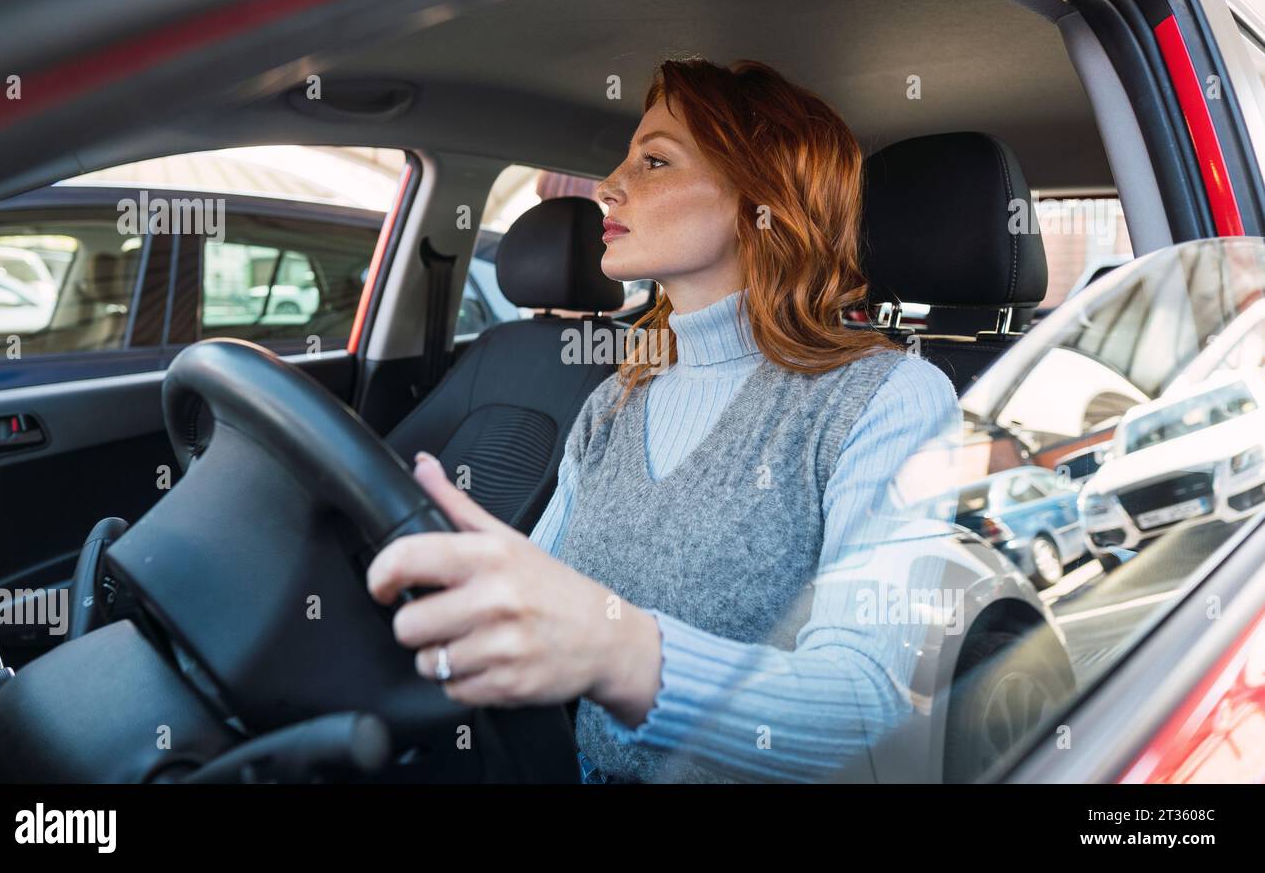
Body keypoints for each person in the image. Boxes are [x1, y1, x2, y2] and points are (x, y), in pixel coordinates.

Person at [366, 57, 962, 782]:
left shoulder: (888, 399)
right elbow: (536, 594)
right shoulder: (616, 398)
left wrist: (614, 650)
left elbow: (864, 704)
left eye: (653, 161)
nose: (608, 187)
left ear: (761, 201)